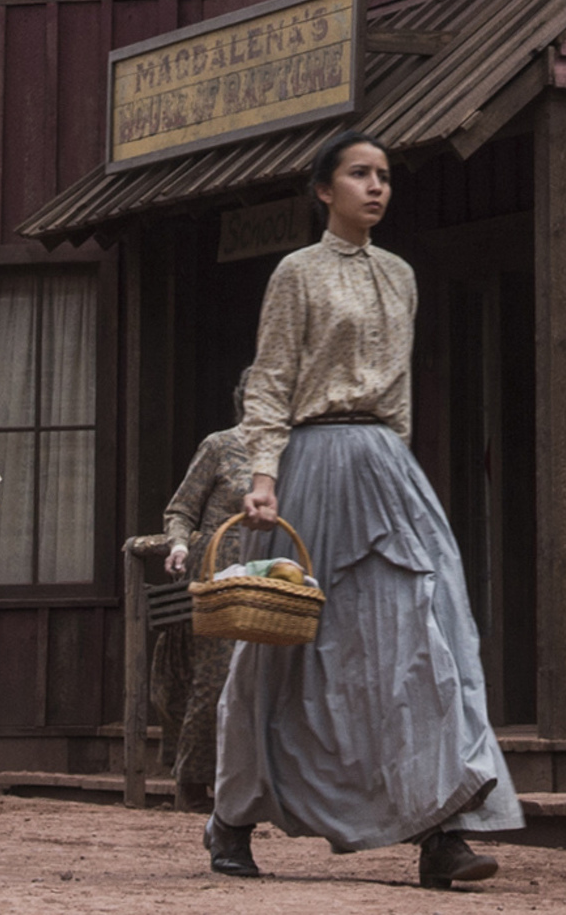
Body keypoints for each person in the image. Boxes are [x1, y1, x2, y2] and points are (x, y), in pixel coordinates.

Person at [208, 129, 522, 891]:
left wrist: (398, 466)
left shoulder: (402, 274)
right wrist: (261, 474)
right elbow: (271, 379)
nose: (376, 186)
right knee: (287, 639)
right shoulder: (297, 273)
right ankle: (234, 813)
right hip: (312, 463)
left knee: (426, 634)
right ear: (324, 189)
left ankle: (442, 831)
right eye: (358, 174)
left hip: (386, 468)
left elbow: (402, 393)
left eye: (383, 175)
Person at [148, 387, 255, 814]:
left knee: (268, 678)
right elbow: (182, 510)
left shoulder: (293, 451)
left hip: (271, 573)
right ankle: (193, 782)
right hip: (218, 570)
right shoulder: (220, 445)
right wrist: (177, 546)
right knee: (215, 677)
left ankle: (258, 782)